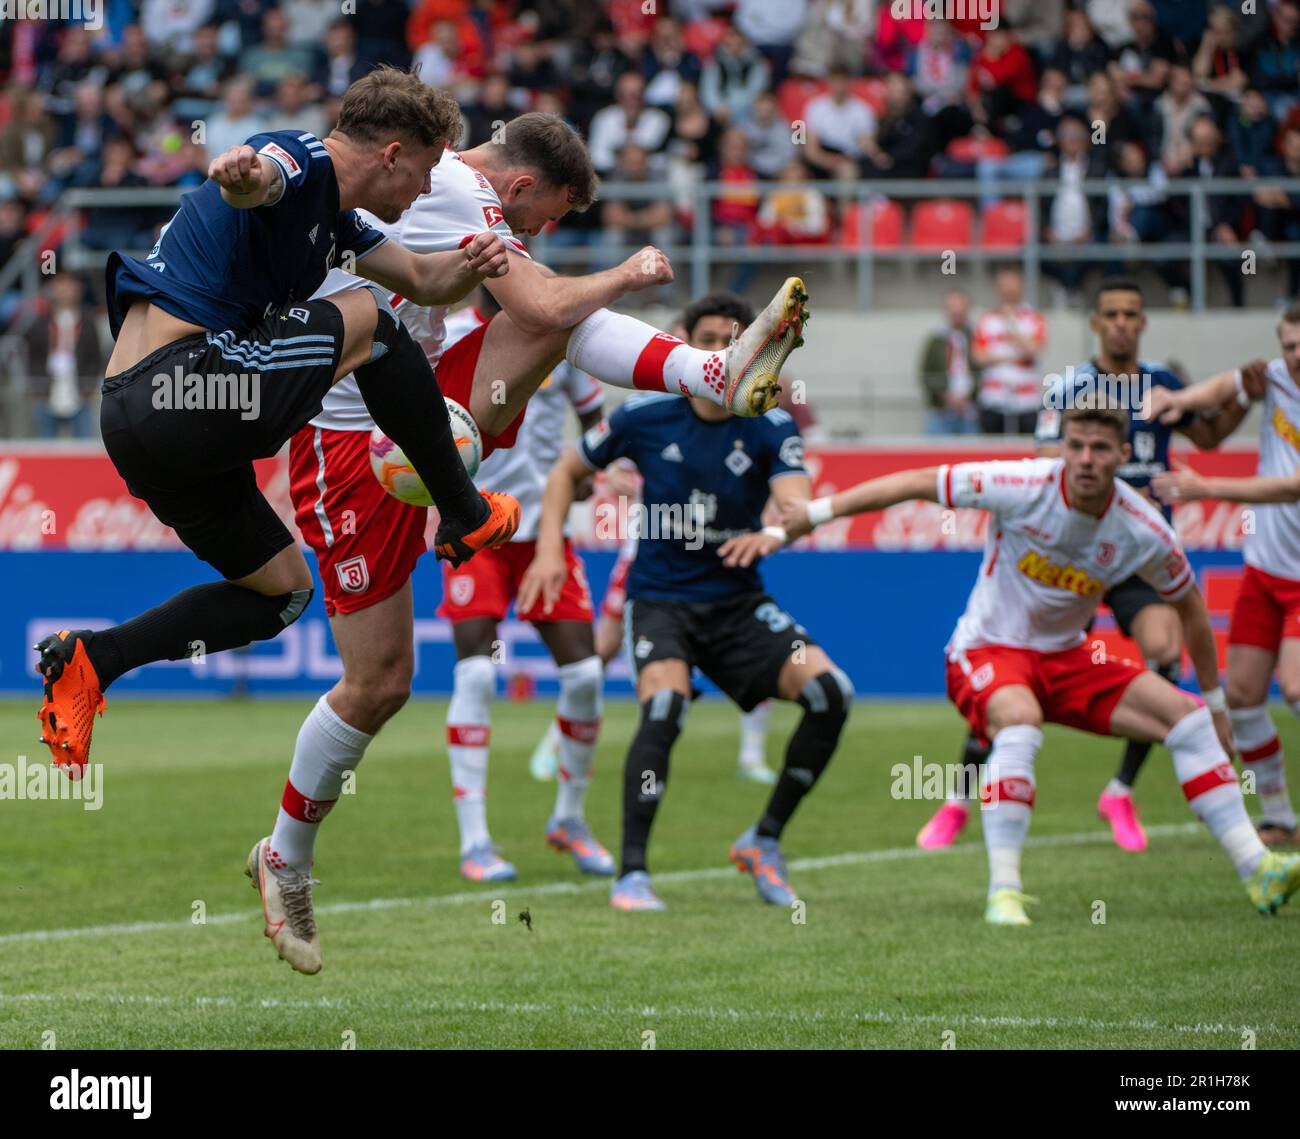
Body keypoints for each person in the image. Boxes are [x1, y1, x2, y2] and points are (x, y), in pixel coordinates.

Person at [275, 117, 808, 972]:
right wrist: (630, 271)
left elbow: (550, 323)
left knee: (556, 318)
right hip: (346, 440)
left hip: (415, 404)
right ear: (520, 189)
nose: (538, 234)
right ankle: (286, 855)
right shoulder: (452, 190)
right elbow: (546, 303)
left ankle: (709, 374)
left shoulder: (453, 189)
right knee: (377, 683)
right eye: (545, 219)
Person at [37, 68, 522, 797]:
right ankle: (463, 508)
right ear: (390, 152)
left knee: (283, 595)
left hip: (142, 426)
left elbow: (424, 277)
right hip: (182, 386)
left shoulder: (340, 226)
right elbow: (263, 176)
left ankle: (94, 660)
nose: (424, 191)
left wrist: (472, 262)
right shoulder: (303, 157)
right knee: (370, 322)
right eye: (422, 173)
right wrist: (242, 172)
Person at [782, 401, 1300, 925]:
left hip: (1066, 658)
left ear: (1122, 455)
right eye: (1076, 446)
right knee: (1021, 721)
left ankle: (1258, 868)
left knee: (1187, 722)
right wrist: (817, 514)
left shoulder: (1141, 527)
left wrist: (1215, 707)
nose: (1086, 459)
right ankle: (1004, 892)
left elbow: (1189, 606)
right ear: (1062, 448)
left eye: (1100, 448)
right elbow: (916, 481)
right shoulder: (1020, 483)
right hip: (985, 649)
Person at [524, 292, 852, 912]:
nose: (720, 353)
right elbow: (568, 470)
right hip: (662, 602)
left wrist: (778, 531)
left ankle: (764, 840)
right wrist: (547, 549)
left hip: (737, 603)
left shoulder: (771, 422)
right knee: (665, 709)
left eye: (734, 341)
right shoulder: (643, 415)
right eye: (707, 340)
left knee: (831, 694)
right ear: (684, 345)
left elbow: (797, 506)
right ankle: (633, 874)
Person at [921, 277, 1251, 853]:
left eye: (1132, 314)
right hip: (1064, 547)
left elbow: (1213, 436)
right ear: (1096, 324)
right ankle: (957, 800)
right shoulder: (1072, 387)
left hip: (1132, 551)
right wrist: (1113, 490)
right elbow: (1050, 461)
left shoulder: (1163, 385)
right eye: (1112, 314)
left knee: (1166, 651)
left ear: (1143, 323)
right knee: (1012, 665)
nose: (1123, 323)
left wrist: (1247, 392)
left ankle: (1119, 790)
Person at [430, 293, 613, 883]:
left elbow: (597, 425)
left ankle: (569, 819)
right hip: (474, 528)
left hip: (544, 534)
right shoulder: (452, 334)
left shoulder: (561, 339)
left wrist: (586, 475)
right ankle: (475, 841)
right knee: (478, 672)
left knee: (585, 678)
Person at [1149, 305, 1300, 847]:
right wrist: (1177, 400)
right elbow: (1228, 383)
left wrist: (1210, 490)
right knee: (1242, 696)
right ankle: (1280, 815)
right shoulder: (1278, 378)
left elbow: (1292, 488)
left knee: (1297, 687)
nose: (1295, 356)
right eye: (1288, 345)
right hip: (1266, 569)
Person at [972, 266, 1046, 435]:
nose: (1009, 290)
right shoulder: (986, 319)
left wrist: (1011, 324)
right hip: (994, 397)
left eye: (1013, 285)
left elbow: (1034, 350)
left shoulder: (1034, 318)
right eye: (1004, 285)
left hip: (1027, 399)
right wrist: (1014, 357)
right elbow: (978, 357)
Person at [28, 272, 103, 440]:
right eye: (61, 285)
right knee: (45, 450)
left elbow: (95, 357)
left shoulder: (88, 322)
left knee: (84, 449)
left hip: (80, 393)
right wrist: (37, 386)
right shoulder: (41, 322)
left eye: (71, 285)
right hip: (46, 392)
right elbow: (33, 355)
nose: (66, 291)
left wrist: (89, 388)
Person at [918, 288, 976, 435]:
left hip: (970, 410)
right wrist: (945, 395)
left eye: (960, 308)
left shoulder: (976, 337)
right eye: (952, 308)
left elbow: (983, 372)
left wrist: (968, 396)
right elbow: (926, 374)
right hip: (940, 411)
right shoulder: (936, 340)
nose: (956, 312)